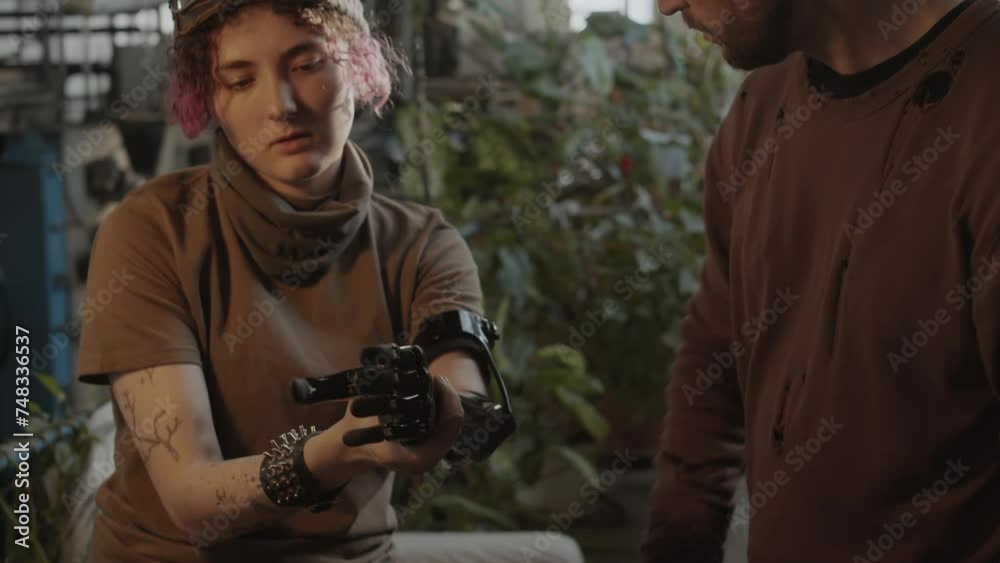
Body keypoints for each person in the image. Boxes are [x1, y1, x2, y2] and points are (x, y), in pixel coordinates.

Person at [75, 1, 583, 562]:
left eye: (308, 64)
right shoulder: (152, 229)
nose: (282, 105)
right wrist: (330, 454)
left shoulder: (423, 243)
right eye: (240, 80)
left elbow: (461, 385)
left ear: (359, 64)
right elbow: (194, 502)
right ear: (211, 98)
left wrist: (444, 412)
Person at [643, 0, 1000, 561]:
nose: (666, 7)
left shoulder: (985, 111)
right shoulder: (761, 108)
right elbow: (716, 350)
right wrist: (679, 538)